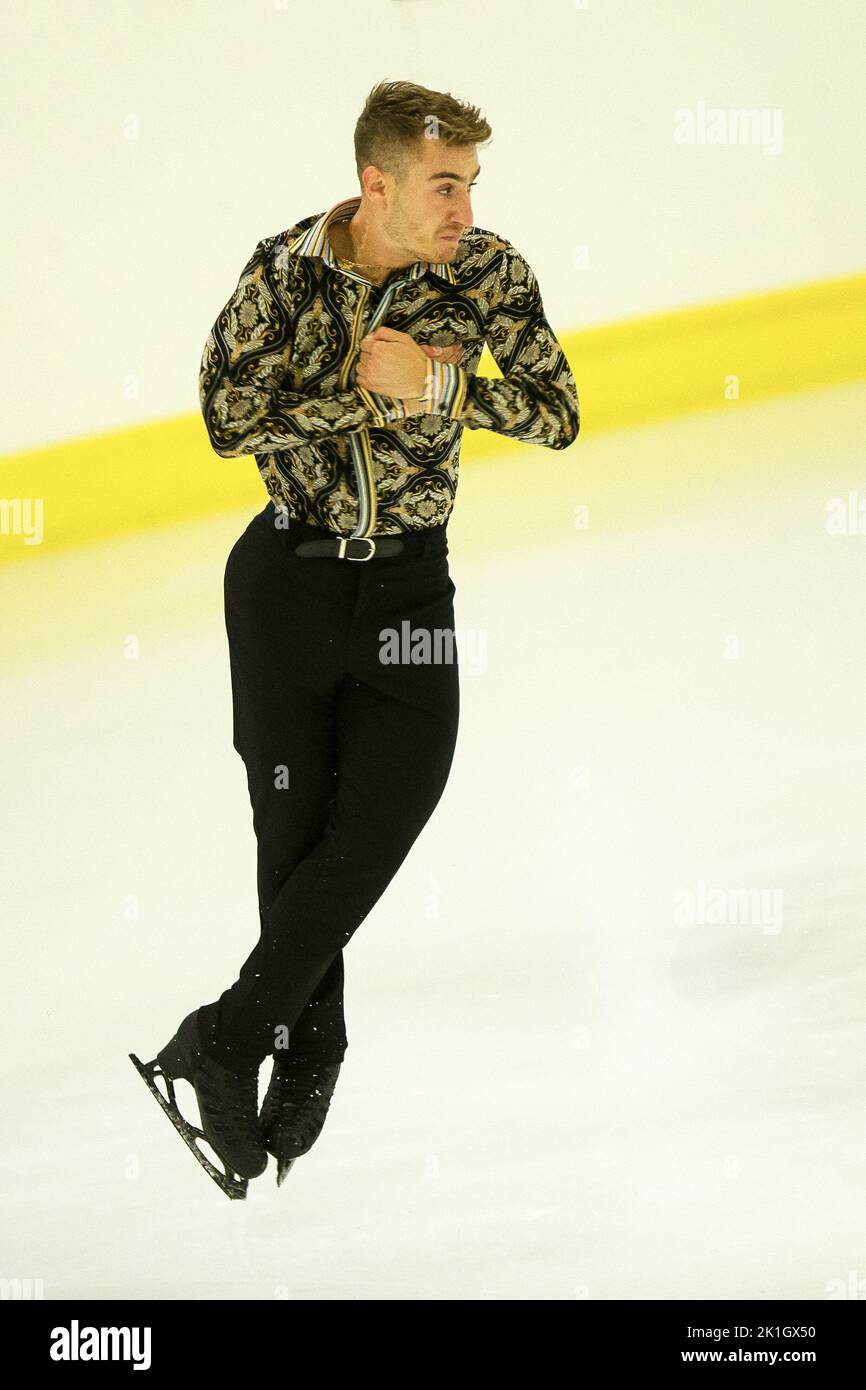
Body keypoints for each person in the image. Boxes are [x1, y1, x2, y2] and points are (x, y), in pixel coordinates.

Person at [134, 79, 580, 1197]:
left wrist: (439, 383)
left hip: (408, 595)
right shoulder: (282, 274)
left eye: (472, 186)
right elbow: (223, 421)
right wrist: (361, 401)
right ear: (373, 184)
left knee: (387, 811)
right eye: (443, 186)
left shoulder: (486, 274)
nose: (463, 211)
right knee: (293, 834)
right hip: (283, 583)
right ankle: (302, 1046)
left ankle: (231, 1038)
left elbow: (557, 411)